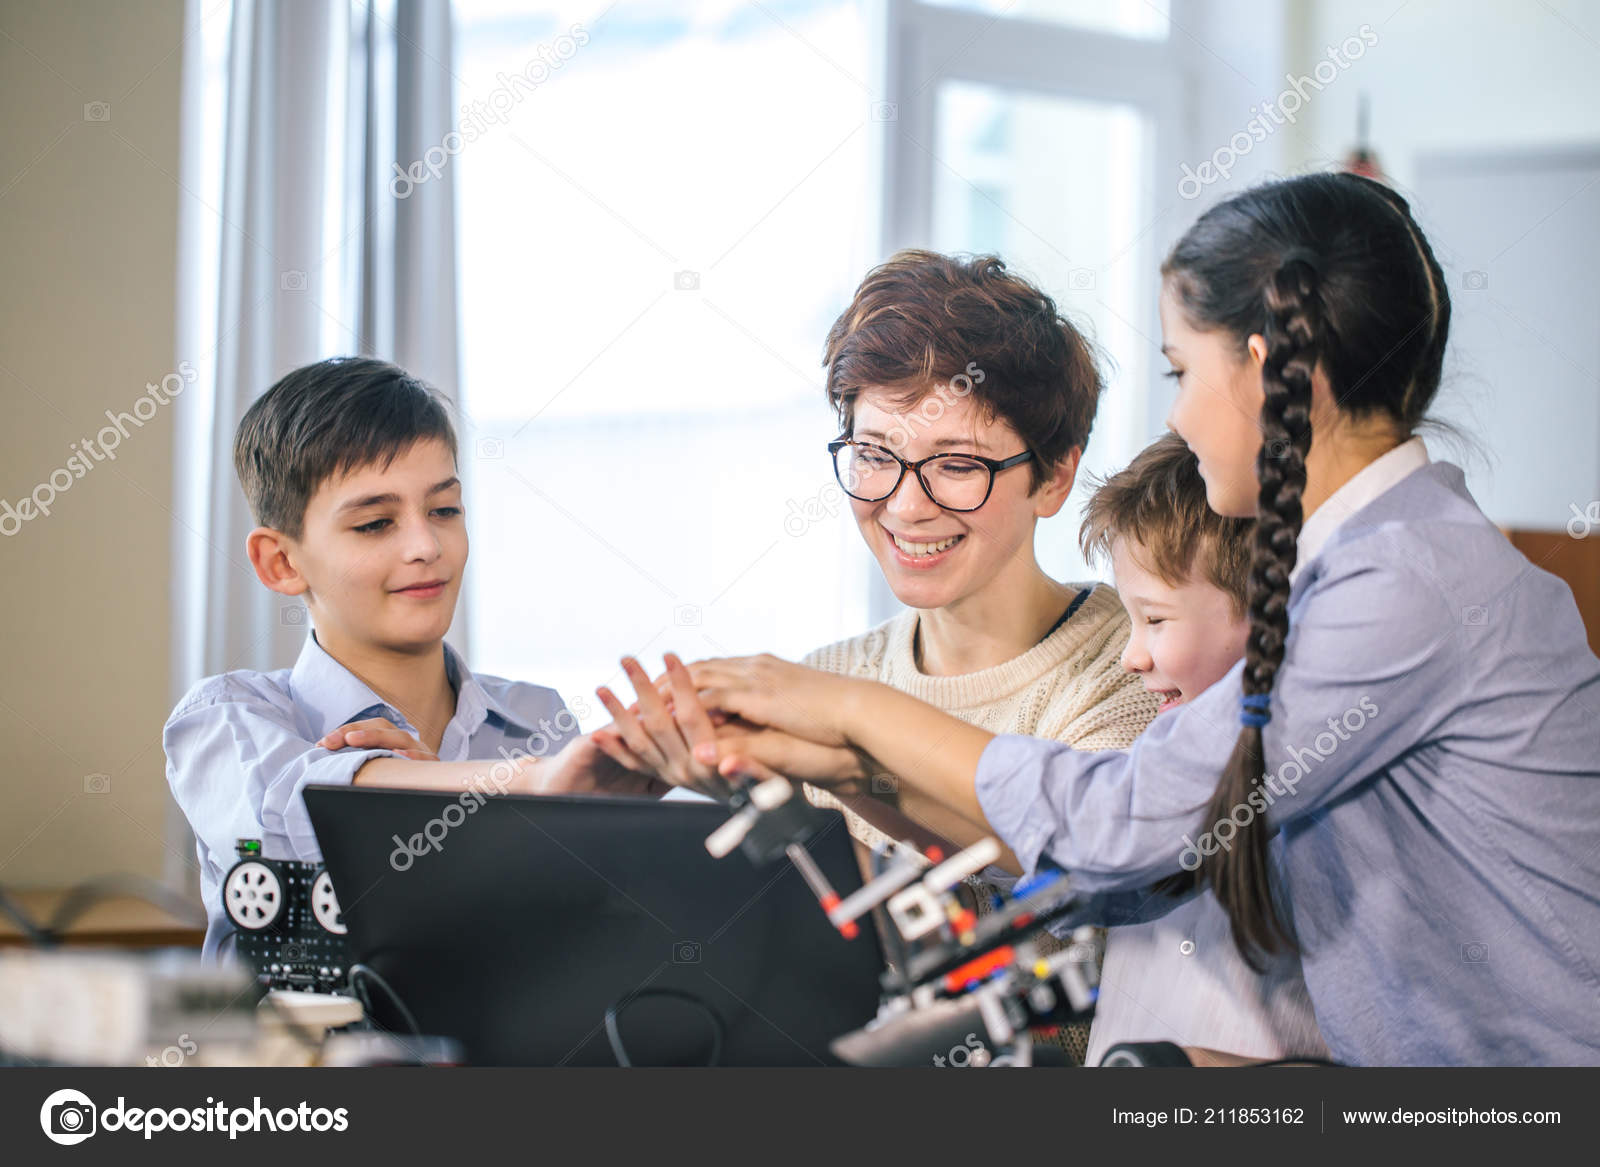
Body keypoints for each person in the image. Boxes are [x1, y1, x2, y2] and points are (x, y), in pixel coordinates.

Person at [657, 173, 1600, 1065]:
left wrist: (852, 710)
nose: (1179, 419)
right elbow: (1121, 874)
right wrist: (850, 762)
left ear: (1273, 374)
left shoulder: (1401, 585)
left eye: (1181, 370)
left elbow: (1123, 823)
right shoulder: (1383, 561)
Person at [589, 251, 1159, 1064]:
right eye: (875, 453)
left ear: (1055, 475)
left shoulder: (1137, 671)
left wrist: (842, 766)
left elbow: (1073, 967)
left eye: (957, 464)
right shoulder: (825, 678)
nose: (904, 503)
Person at [163, 357, 659, 955]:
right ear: (282, 562)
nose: (426, 546)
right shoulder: (225, 718)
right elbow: (296, 807)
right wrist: (535, 784)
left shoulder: (538, 719)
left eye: (444, 511)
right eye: (375, 524)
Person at [1078, 431, 1326, 1065]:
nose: (1132, 657)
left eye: (1155, 620)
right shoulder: (1157, 756)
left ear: (1266, 614)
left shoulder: (1311, 784)